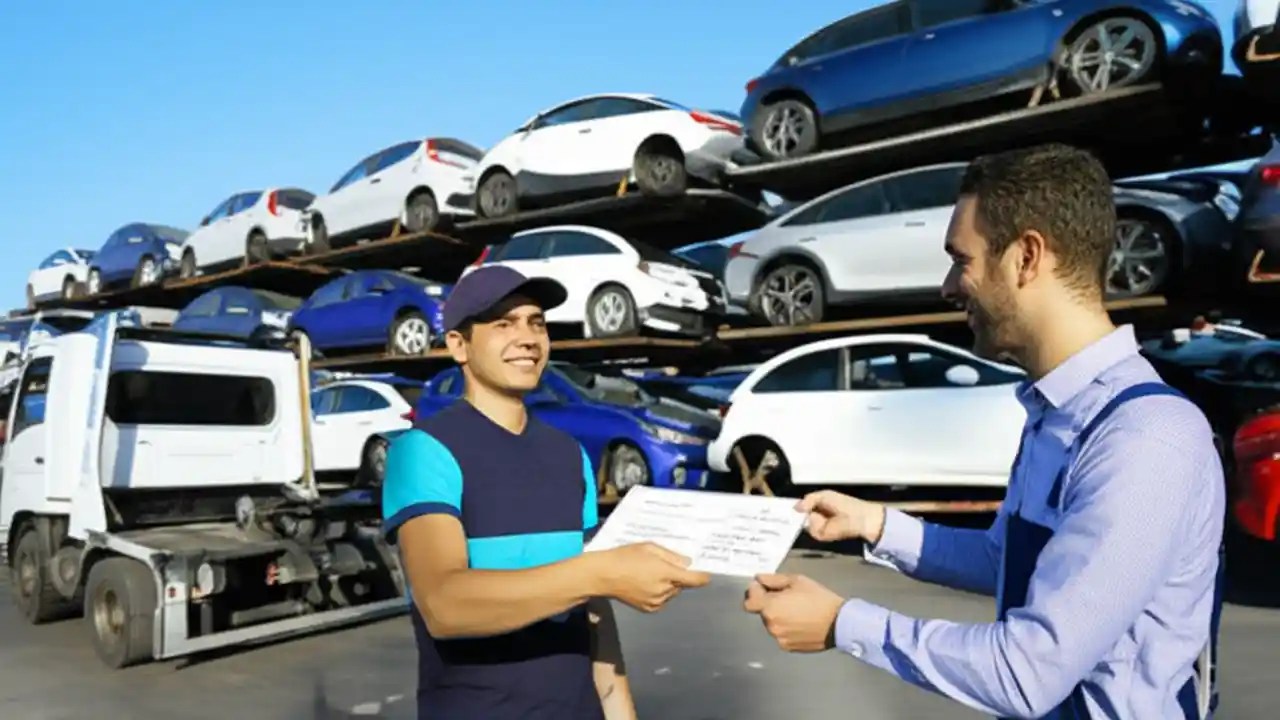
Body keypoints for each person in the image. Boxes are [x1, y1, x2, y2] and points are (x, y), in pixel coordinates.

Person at [743, 143, 1226, 719]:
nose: (948, 286)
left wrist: (842, 622)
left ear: (1025, 257)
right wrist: (874, 524)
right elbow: (1009, 562)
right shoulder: (1056, 413)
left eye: (961, 259)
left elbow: (1028, 671)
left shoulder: (1146, 438)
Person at [381, 264, 711, 720]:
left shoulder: (569, 454)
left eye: (537, 322)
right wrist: (601, 573)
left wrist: (618, 707)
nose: (528, 337)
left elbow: (595, 619)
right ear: (458, 344)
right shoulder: (425, 451)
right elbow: (444, 604)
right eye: (503, 323)